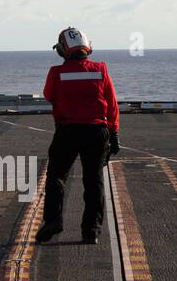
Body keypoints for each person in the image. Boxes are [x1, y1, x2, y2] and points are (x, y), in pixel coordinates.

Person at [36, 27, 120, 245]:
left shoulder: (57, 72)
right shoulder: (101, 69)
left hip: (68, 131)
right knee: (94, 182)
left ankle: (54, 220)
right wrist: (114, 132)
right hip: (96, 132)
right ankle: (91, 231)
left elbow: (48, 95)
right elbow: (111, 104)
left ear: (63, 50)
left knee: (56, 177)